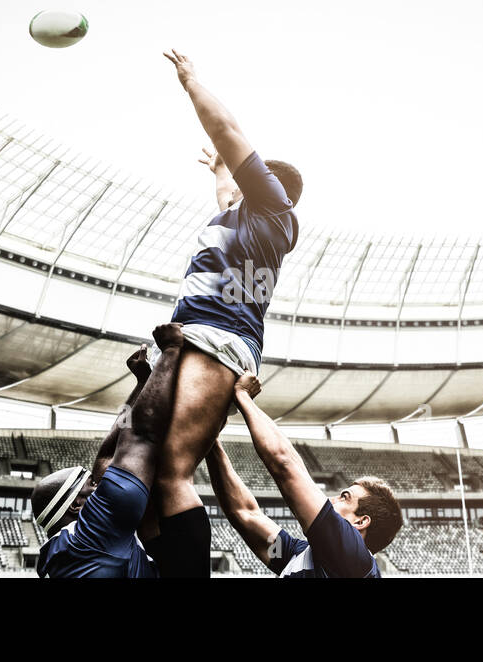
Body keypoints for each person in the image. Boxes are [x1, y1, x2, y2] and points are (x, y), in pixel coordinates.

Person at [149, 49, 305, 577]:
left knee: (171, 470)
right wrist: (218, 170)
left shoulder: (274, 210)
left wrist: (191, 82)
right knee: (146, 464)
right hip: (198, 336)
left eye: (243, 178)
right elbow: (225, 190)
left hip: (217, 338)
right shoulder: (240, 216)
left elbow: (229, 128)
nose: (234, 185)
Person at [205, 372, 403, 577]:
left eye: (344, 497)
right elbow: (245, 513)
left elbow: (285, 464)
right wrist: (210, 440)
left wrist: (243, 395)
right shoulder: (299, 554)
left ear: (360, 522)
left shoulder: (354, 559)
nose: (330, 499)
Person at [32, 323, 185, 578]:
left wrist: (141, 384)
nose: (98, 482)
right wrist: (171, 352)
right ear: (76, 505)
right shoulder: (96, 528)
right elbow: (140, 435)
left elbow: (107, 454)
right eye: (89, 482)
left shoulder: (70, 546)